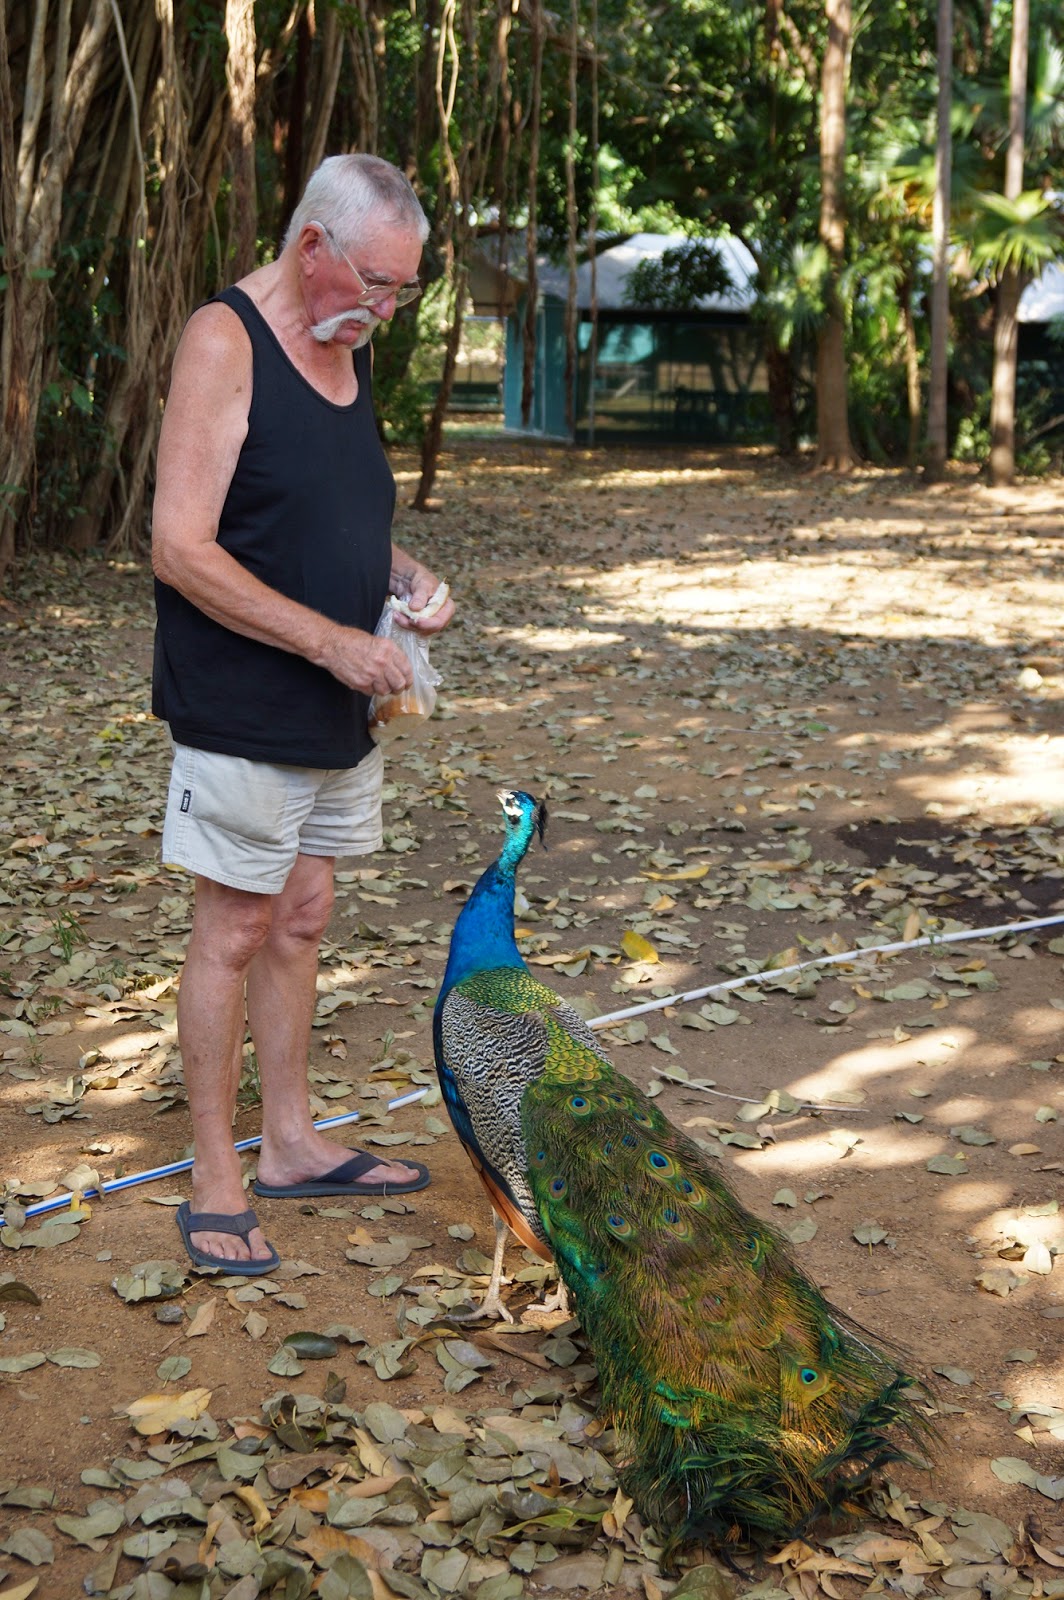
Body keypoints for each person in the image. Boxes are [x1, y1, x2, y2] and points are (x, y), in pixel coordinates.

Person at [151, 154, 454, 1276]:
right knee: (232, 925)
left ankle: (287, 1142)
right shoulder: (223, 340)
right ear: (312, 247)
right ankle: (214, 1173)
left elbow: (327, 512)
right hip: (244, 701)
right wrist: (328, 640)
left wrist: (408, 581)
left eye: (401, 292)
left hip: (339, 705)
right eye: (375, 283)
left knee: (302, 913)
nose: (384, 310)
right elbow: (180, 547)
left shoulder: (345, 347)